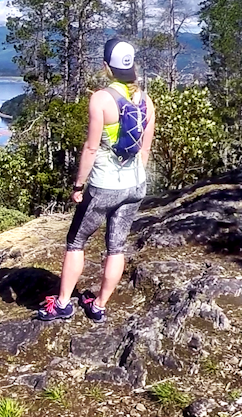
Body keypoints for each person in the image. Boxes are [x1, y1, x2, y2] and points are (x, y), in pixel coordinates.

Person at [37, 38, 156, 323]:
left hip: (104, 185)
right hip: (135, 184)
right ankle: (99, 305)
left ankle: (63, 304)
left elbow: (91, 148)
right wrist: (134, 179)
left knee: (76, 240)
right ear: (133, 66)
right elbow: (145, 149)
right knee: (116, 246)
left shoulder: (101, 99)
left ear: (106, 67)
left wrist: (79, 185)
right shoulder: (147, 101)